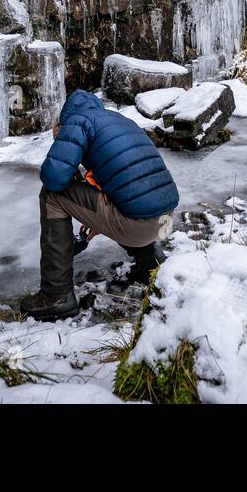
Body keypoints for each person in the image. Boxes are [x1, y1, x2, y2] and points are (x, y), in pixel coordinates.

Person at [20, 89, 179, 320]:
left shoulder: (78, 122)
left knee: (52, 196)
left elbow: (54, 178)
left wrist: (60, 138)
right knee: (136, 192)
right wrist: (97, 217)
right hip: (166, 220)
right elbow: (130, 178)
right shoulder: (120, 120)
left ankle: (56, 295)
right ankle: (151, 263)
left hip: (136, 226)